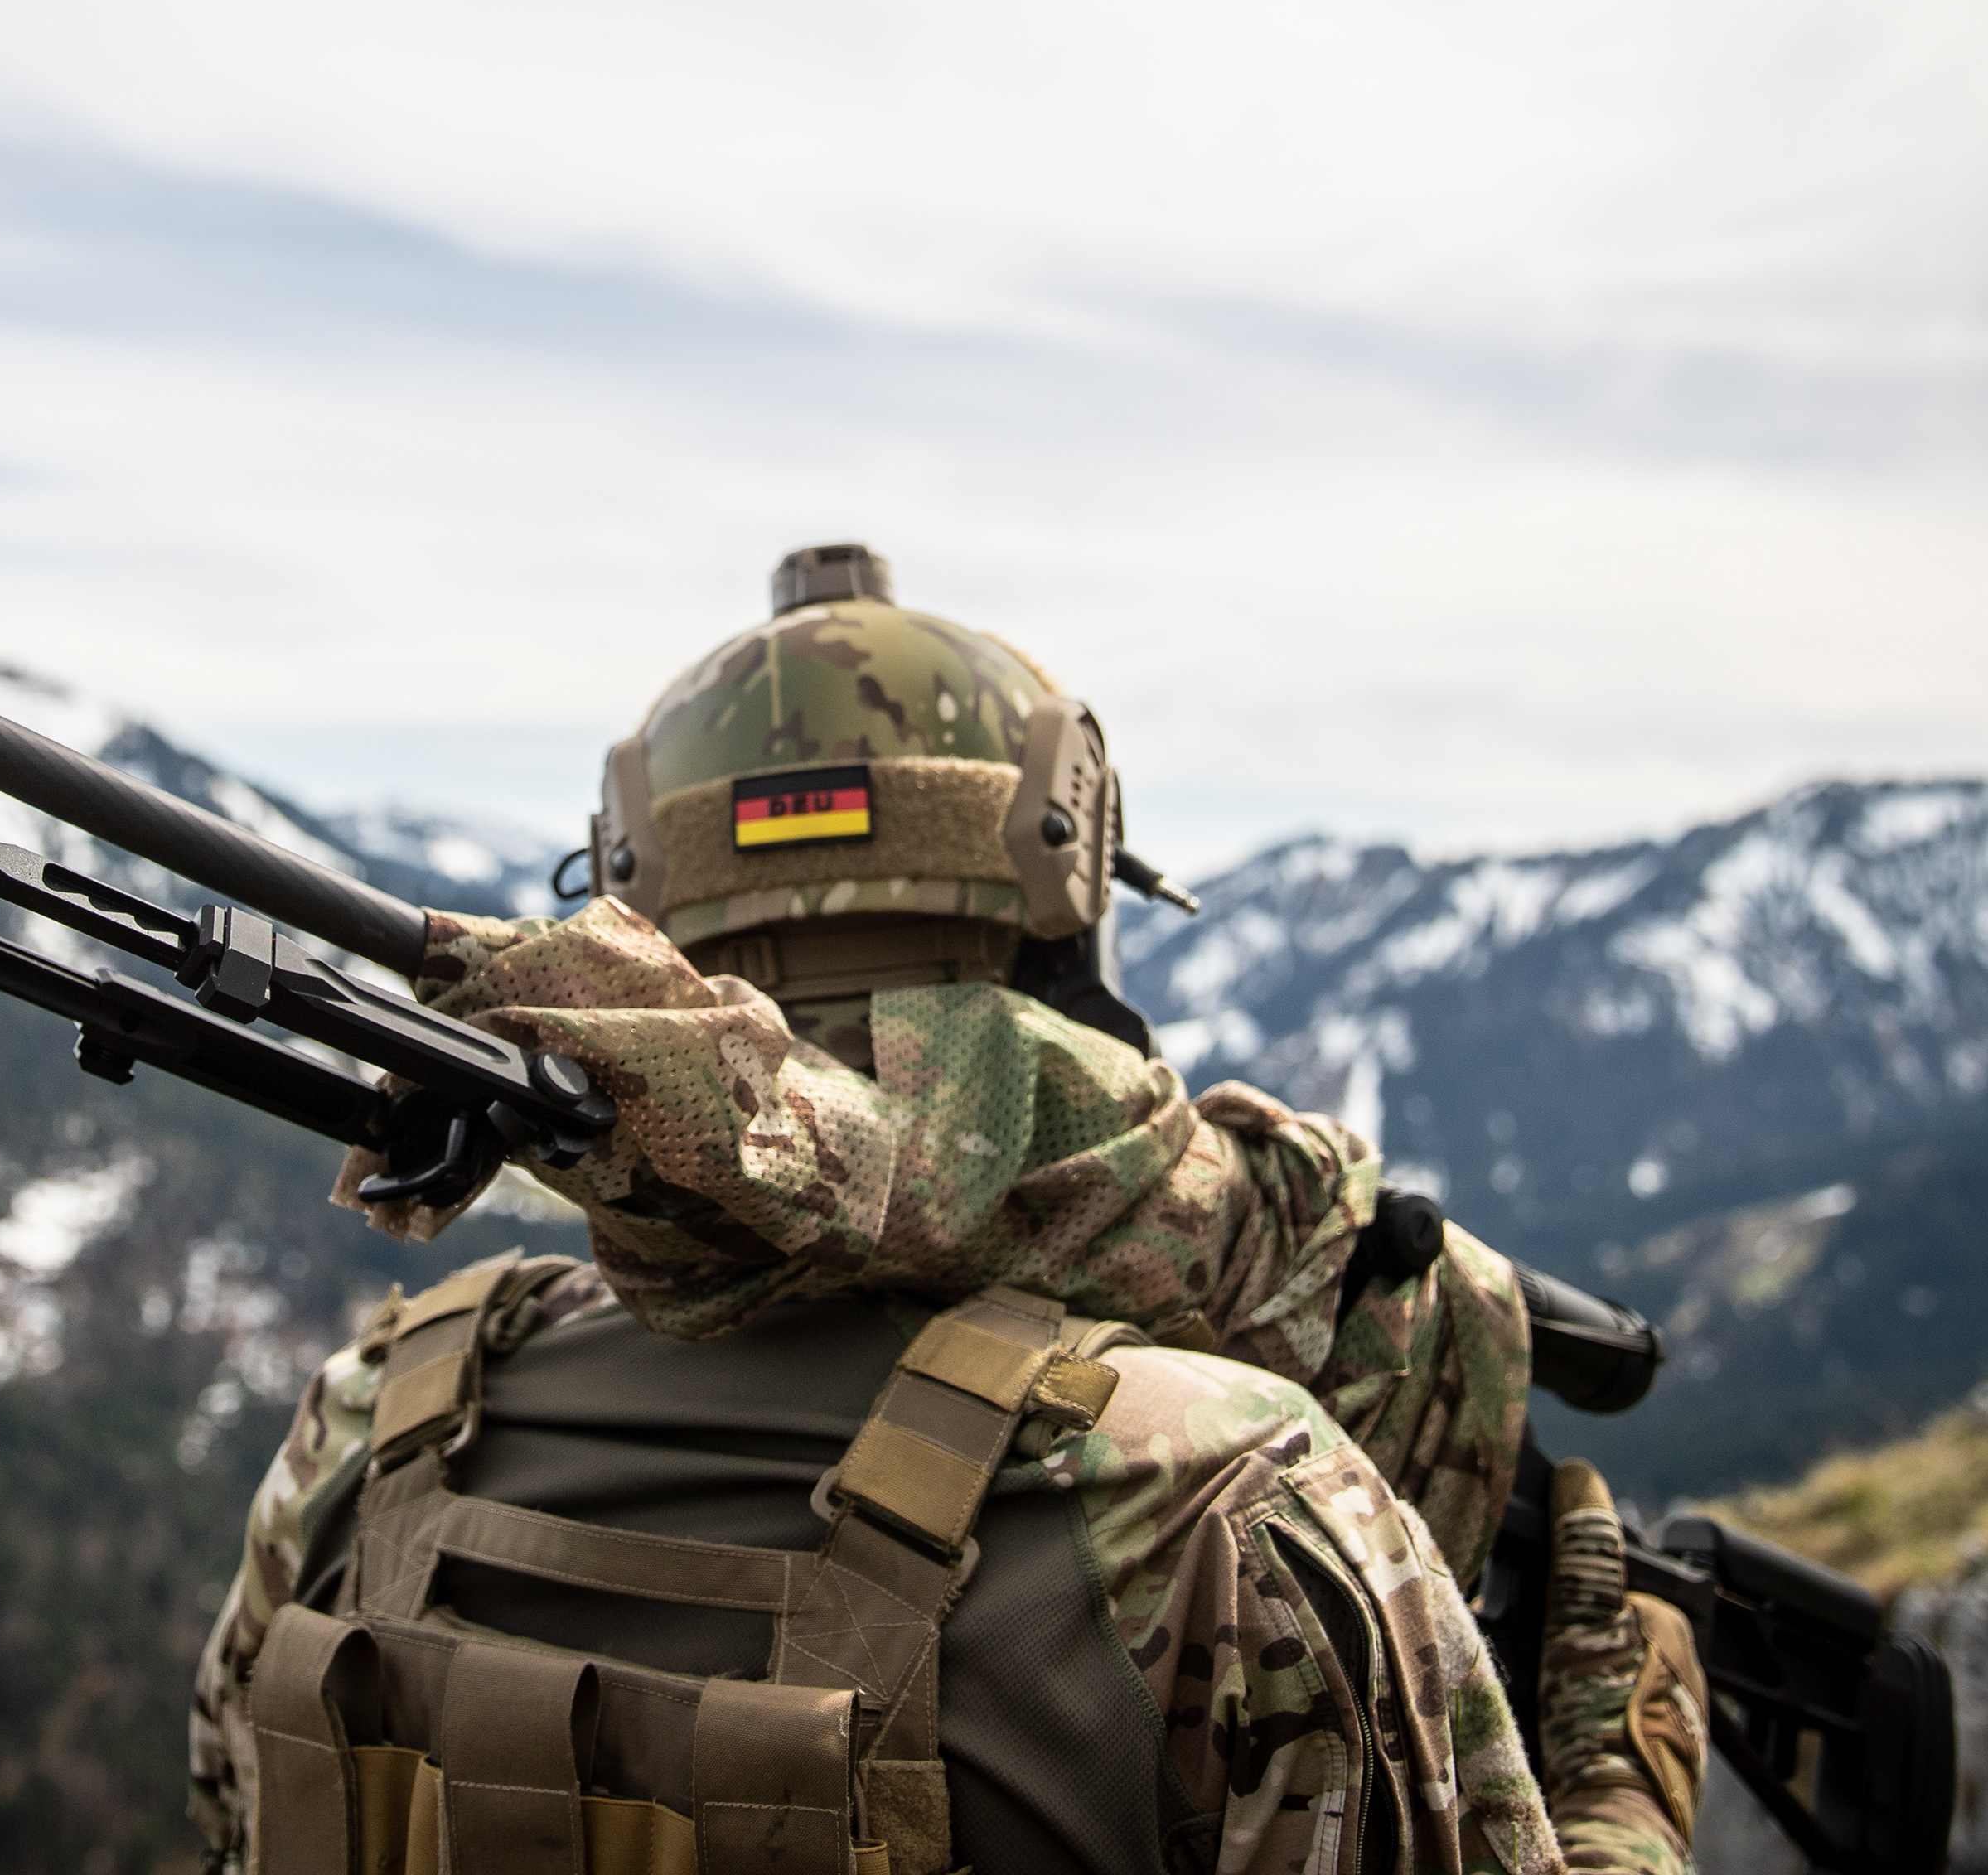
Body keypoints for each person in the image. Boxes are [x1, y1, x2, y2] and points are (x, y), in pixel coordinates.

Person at [190, 546, 1705, 1873]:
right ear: (1064, 882)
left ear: (648, 899)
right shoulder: (1221, 1498)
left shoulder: (370, 1424)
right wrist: (1613, 1770)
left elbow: (233, 1817)